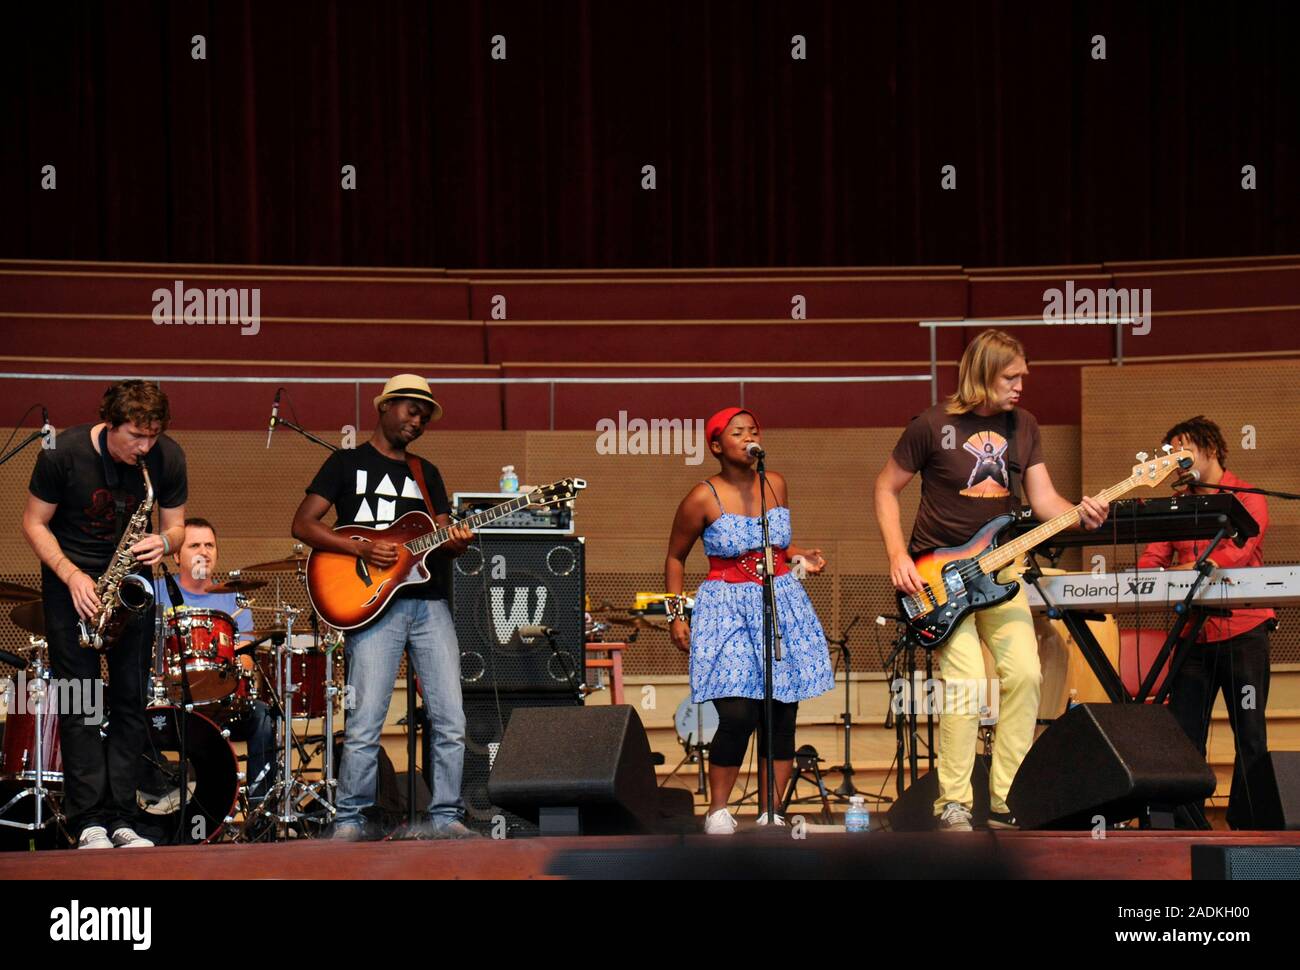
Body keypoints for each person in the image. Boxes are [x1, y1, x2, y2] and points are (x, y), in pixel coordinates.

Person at [873, 329, 1109, 831]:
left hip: (1002, 572)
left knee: (1025, 674)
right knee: (963, 682)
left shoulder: (1023, 424)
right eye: (1011, 377)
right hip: (939, 575)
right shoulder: (931, 424)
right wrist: (898, 554)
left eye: (1022, 376)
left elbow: (1043, 501)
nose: (1021, 385)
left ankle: (1008, 796)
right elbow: (885, 487)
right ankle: (953, 802)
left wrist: (1079, 514)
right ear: (982, 374)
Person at [291, 374, 477, 840]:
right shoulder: (346, 463)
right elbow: (303, 524)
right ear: (385, 407)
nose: (418, 421)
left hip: (428, 603)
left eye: (425, 416)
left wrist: (457, 540)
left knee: (450, 717)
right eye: (411, 411)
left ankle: (445, 817)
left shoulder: (425, 472)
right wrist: (359, 550)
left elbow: (441, 542)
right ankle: (349, 820)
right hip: (369, 603)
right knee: (365, 720)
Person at [21, 380, 188, 849]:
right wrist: (71, 575)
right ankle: (88, 820)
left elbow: (176, 526)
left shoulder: (167, 457)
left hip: (131, 589)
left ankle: (123, 818)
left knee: (131, 704)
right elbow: (33, 522)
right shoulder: (63, 452)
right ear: (108, 422)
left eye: (152, 436)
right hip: (71, 588)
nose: (144, 447)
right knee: (80, 705)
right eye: (134, 436)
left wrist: (166, 542)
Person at [665, 407, 833, 834]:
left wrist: (799, 557)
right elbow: (675, 558)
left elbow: (775, 545)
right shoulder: (702, 497)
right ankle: (718, 810)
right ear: (717, 446)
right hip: (726, 608)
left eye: (753, 430)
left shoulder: (775, 483)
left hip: (780, 602)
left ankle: (772, 810)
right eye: (737, 432)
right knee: (739, 712)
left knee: (781, 711)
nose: (748, 437)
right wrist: (675, 615)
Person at [1137, 416, 1274, 828]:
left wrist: (1188, 566)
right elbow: (1150, 560)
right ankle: (1185, 824)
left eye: (1183, 450)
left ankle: (1251, 824)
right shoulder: (1178, 503)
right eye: (1171, 453)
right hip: (1192, 639)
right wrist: (1167, 570)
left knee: (1250, 735)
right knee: (1184, 737)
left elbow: (1235, 553)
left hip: (1244, 633)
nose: (1176, 460)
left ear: (1210, 448)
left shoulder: (1247, 497)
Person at [150, 517, 276, 807]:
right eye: (194, 545)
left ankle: (261, 810)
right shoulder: (155, 592)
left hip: (223, 697)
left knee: (264, 717)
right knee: (127, 718)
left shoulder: (233, 598)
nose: (203, 552)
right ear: (176, 554)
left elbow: (245, 659)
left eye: (210, 545)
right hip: (166, 695)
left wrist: (232, 673)